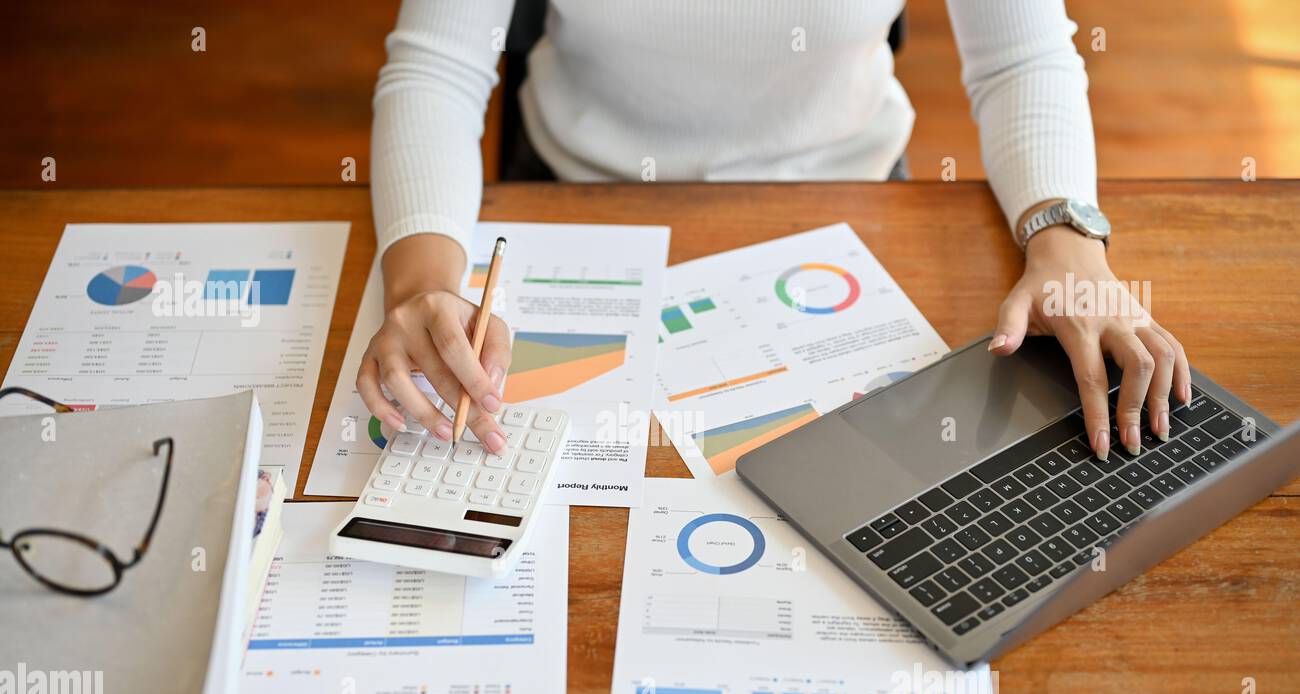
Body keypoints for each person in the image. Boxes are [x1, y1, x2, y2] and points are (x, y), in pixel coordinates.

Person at [360, 0, 1189, 463]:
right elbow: (438, 65)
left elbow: (1021, 58)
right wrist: (420, 285)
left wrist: (1066, 239)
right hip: (584, 199)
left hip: (858, 209)